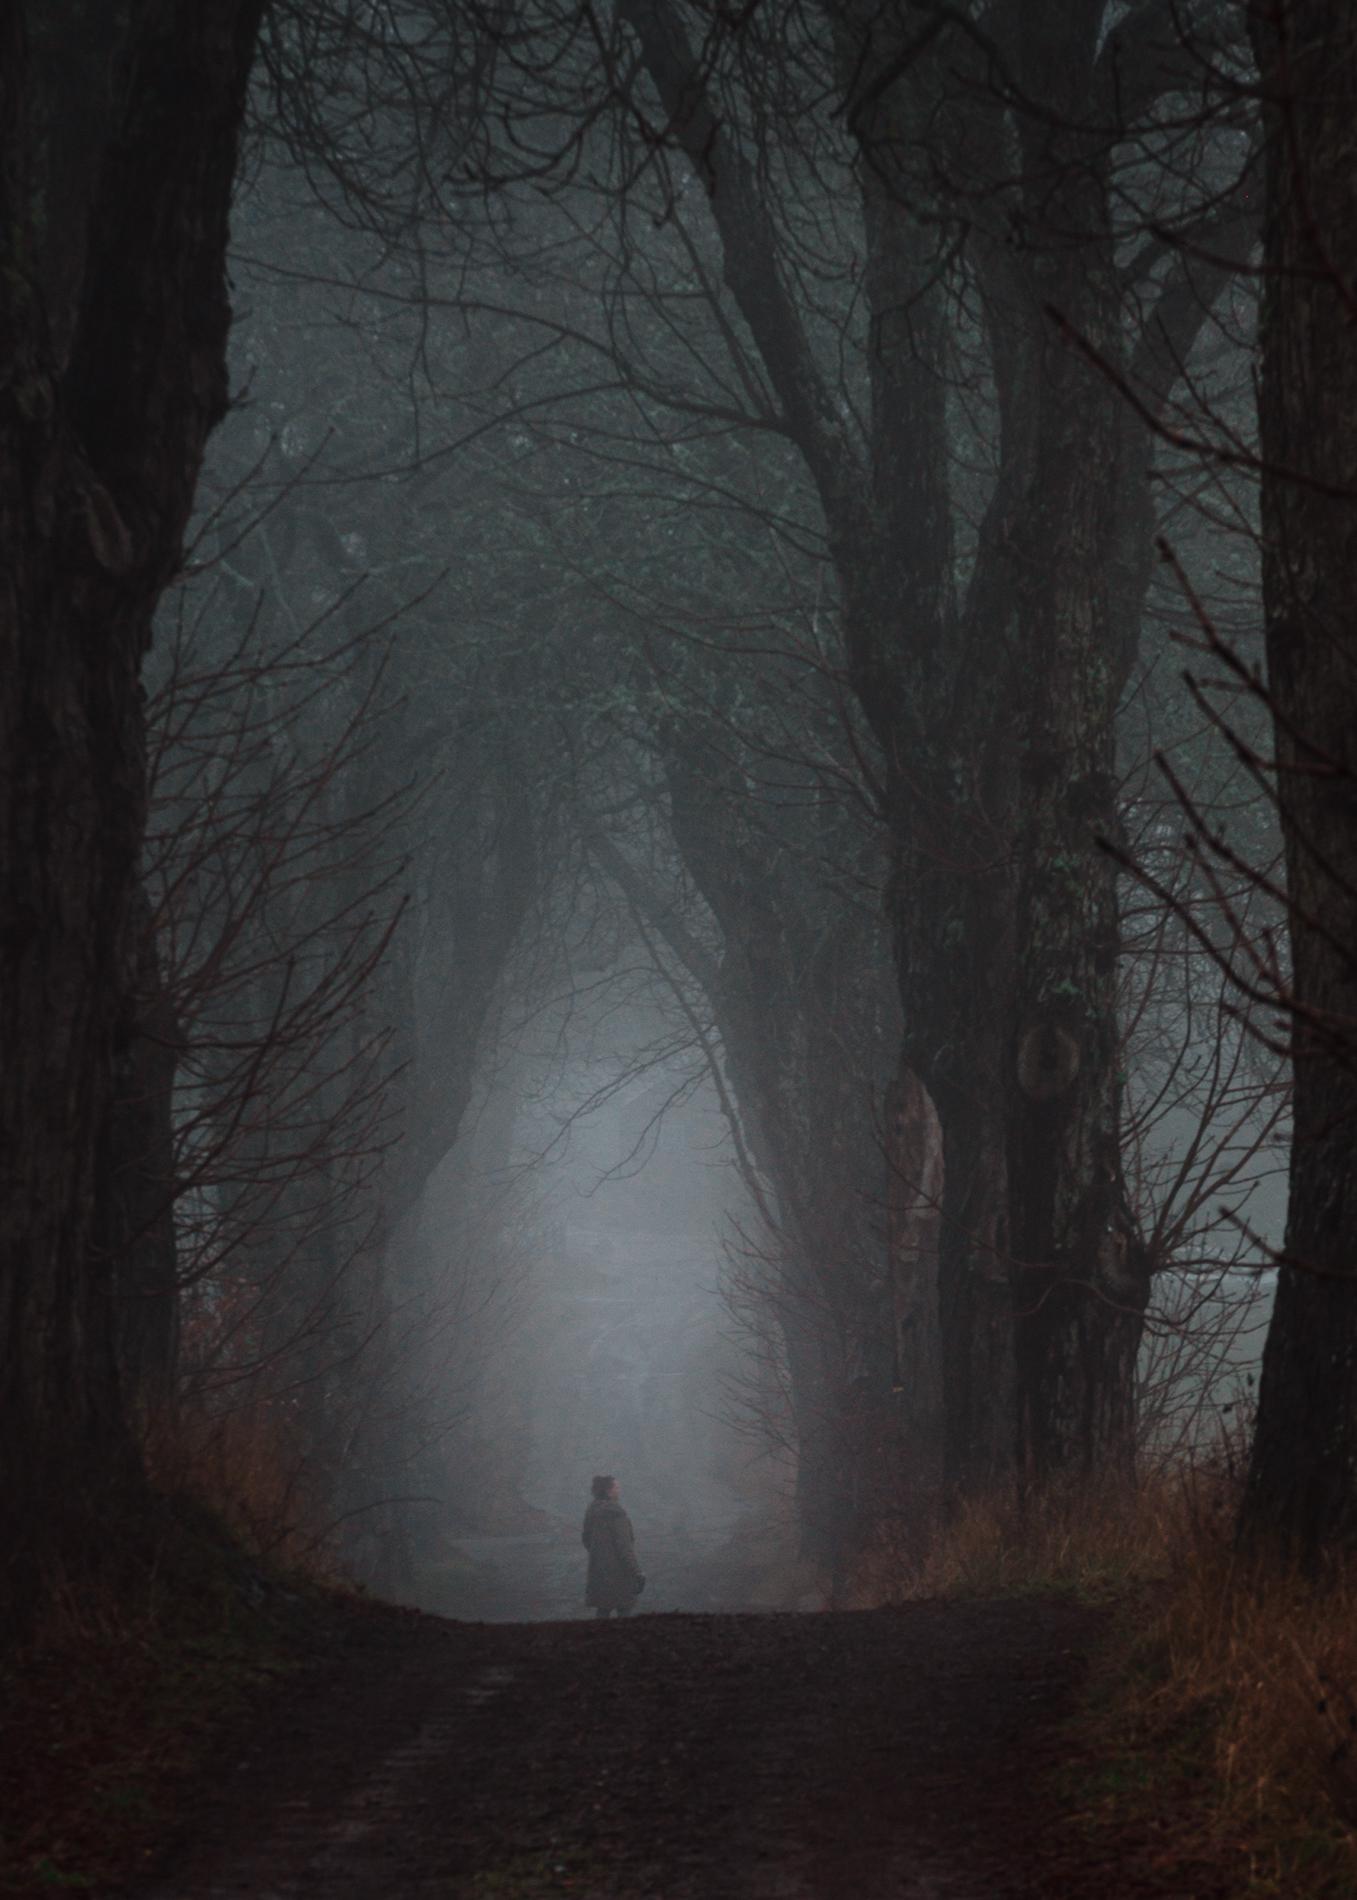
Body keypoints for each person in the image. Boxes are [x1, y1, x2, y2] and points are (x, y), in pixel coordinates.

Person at [582, 1474, 645, 1618]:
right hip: (620, 1574)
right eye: (617, 1487)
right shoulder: (617, 1514)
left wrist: (600, 1555)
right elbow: (624, 1547)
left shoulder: (592, 1512)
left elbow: (586, 1539)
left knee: (603, 1610)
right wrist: (637, 1572)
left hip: (598, 1571)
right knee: (624, 1610)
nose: (619, 1490)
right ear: (608, 1491)